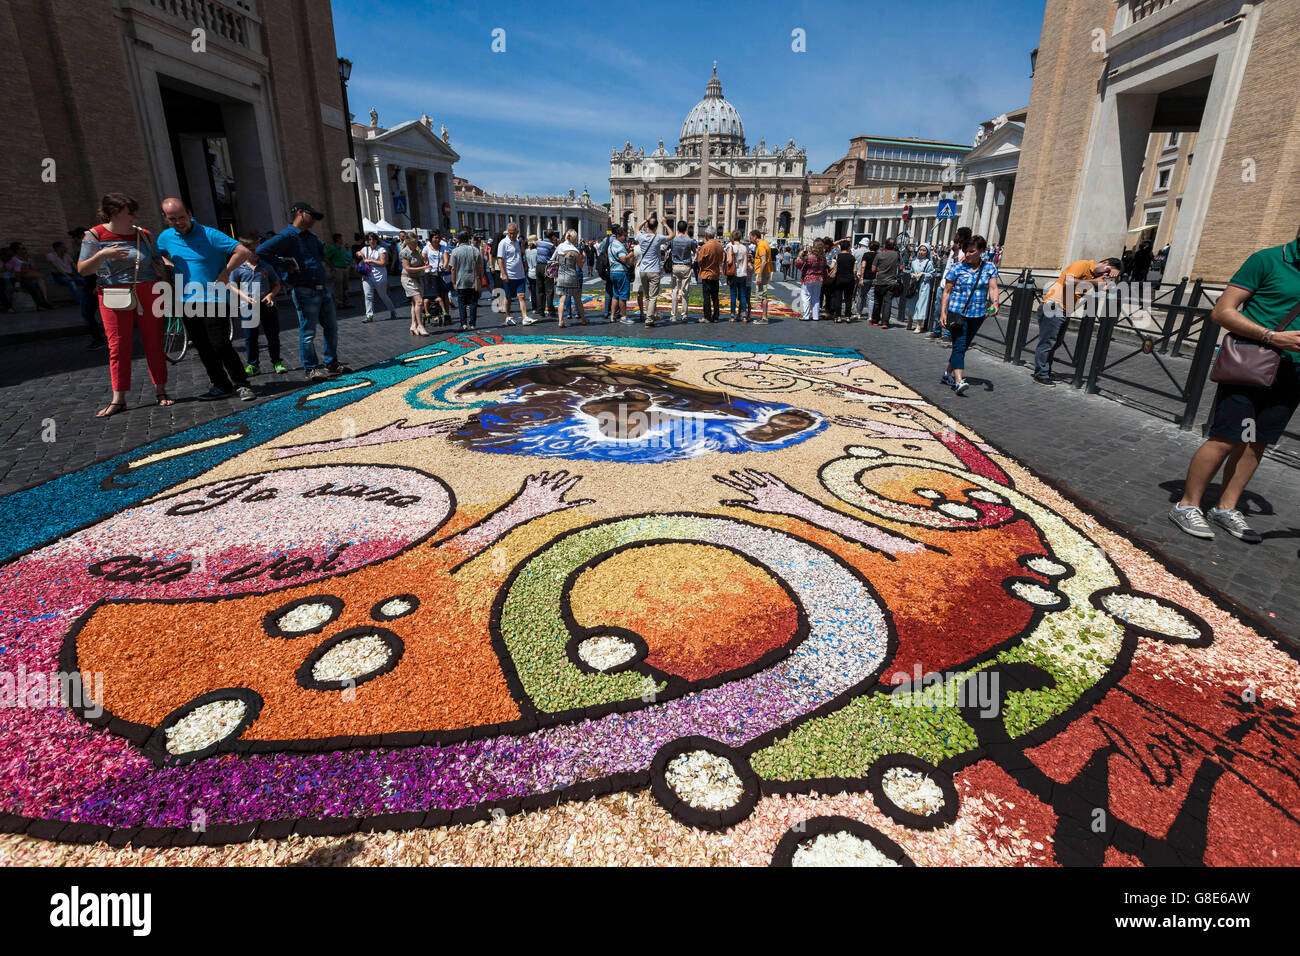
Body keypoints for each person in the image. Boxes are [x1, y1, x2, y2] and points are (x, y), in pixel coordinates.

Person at [1168, 227, 1300, 544]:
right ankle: (1187, 504)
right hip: (1251, 364)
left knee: (1256, 441)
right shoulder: (1267, 260)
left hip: (1293, 373)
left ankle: (1225, 509)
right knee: (1227, 437)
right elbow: (1222, 312)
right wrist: (1272, 336)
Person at [78, 193, 172, 416]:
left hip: (148, 290)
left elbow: (158, 259)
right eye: (129, 212)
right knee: (118, 346)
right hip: (113, 293)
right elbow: (83, 270)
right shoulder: (95, 235)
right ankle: (118, 398)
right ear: (113, 213)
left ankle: (161, 390)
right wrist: (104, 254)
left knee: (154, 342)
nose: (134, 216)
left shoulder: (144, 234)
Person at [156, 197, 256, 401]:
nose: (179, 222)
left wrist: (226, 271)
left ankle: (242, 384)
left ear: (190, 214)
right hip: (186, 299)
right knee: (202, 346)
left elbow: (243, 251)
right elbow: (157, 254)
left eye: (182, 217)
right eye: (173, 218)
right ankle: (221, 384)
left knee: (220, 343)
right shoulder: (166, 237)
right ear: (165, 218)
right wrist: (169, 265)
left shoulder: (210, 234)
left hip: (214, 297)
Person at [256, 201, 353, 382]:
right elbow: (262, 251)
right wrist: (284, 265)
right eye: (312, 215)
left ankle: (331, 363)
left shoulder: (310, 236)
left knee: (331, 328)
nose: (315, 220)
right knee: (308, 331)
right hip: (304, 289)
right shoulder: (288, 235)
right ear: (300, 213)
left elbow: (320, 252)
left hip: (322, 288)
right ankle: (311, 368)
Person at [1034, 257, 1121, 386]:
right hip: (1054, 305)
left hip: (1063, 309)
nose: (1105, 275)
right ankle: (1040, 375)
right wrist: (1094, 282)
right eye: (1107, 271)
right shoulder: (1083, 264)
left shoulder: (1094, 276)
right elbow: (1068, 282)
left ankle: (1045, 371)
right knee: (1047, 343)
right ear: (1105, 263)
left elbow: (1110, 288)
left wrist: (1114, 277)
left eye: (1108, 274)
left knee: (1055, 343)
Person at [939, 235, 999, 396]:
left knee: (963, 346)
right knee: (959, 345)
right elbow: (947, 291)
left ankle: (947, 374)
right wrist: (943, 312)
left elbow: (993, 288)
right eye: (966, 251)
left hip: (978, 313)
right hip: (957, 312)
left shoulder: (989, 267)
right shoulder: (956, 268)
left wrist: (995, 303)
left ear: (981, 251)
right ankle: (959, 381)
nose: (968, 254)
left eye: (972, 251)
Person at [229, 237, 286, 375]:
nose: (256, 253)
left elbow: (277, 284)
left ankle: (277, 362)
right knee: (250, 337)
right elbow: (231, 284)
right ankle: (253, 365)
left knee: (272, 335)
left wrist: (271, 295)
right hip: (248, 306)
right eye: (253, 250)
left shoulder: (266, 266)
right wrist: (243, 296)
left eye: (257, 250)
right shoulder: (238, 268)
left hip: (266, 304)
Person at [64, 228, 108, 348]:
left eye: (76, 238)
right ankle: (100, 339)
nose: (74, 241)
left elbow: (102, 268)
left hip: (94, 287)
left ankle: (100, 340)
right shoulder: (85, 251)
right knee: (89, 314)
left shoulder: (93, 250)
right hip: (90, 287)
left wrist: (98, 284)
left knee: (88, 314)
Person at [634, 214, 669, 327]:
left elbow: (636, 229)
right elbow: (672, 235)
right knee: (653, 296)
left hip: (643, 271)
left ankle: (650, 316)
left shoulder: (641, 237)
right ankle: (649, 319)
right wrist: (665, 224)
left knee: (648, 296)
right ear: (656, 227)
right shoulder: (658, 238)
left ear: (647, 226)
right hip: (654, 271)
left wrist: (646, 219)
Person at [357, 233, 397, 322]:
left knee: (383, 295)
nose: (372, 241)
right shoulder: (365, 249)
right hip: (367, 275)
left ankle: (393, 310)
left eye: (373, 239)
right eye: (370, 240)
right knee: (368, 295)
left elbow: (383, 263)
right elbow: (358, 253)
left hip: (379, 275)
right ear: (367, 241)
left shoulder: (381, 250)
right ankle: (369, 315)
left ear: (376, 240)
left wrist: (371, 261)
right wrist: (359, 253)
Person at [399, 233, 432, 336]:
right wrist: (422, 268)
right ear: (408, 242)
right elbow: (407, 268)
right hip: (408, 279)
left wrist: (425, 262)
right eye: (414, 243)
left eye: (417, 242)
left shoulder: (417, 250)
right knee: (419, 302)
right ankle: (420, 326)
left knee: (414, 303)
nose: (416, 244)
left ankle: (413, 325)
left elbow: (421, 262)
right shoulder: (404, 252)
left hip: (417, 278)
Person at [498, 221, 530, 325]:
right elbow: (500, 259)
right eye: (510, 233)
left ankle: (524, 317)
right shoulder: (503, 243)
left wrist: (525, 263)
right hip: (509, 274)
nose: (511, 235)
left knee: (521, 295)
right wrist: (503, 274)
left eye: (513, 233)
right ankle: (507, 316)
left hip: (520, 274)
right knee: (508, 297)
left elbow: (522, 255)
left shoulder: (518, 242)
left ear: (517, 232)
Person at [4, 243, 54, 309]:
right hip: (17, 278)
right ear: (17, 250)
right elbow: (14, 272)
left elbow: (34, 269)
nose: (24, 250)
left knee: (40, 280)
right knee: (33, 285)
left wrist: (29, 260)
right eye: (22, 248)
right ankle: (40, 304)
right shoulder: (14, 259)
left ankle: (45, 300)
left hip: (27, 277)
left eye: (24, 248)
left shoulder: (25, 258)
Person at [450, 232, 483, 332]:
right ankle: (472, 324)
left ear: (459, 240)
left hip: (461, 280)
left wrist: (453, 281)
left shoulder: (455, 251)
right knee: (473, 302)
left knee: (462, 303)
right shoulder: (475, 250)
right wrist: (480, 278)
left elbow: (452, 269)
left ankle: (463, 323)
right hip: (473, 280)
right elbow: (480, 266)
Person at [554, 230, 587, 328]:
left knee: (561, 300)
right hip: (571, 276)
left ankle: (560, 321)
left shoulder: (560, 247)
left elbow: (553, 259)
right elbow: (580, 266)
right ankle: (583, 320)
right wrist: (584, 258)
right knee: (577, 299)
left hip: (561, 276)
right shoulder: (575, 251)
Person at [666, 221, 696, 324]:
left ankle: (673, 315)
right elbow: (696, 252)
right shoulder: (690, 241)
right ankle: (684, 315)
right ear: (686, 229)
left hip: (675, 266)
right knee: (685, 291)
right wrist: (693, 260)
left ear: (677, 229)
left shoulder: (673, 240)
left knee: (674, 290)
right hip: (686, 266)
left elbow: (666, 250)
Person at [871, 237, 903, 328]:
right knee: (887, 302)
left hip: (880, 281)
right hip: (891, 282)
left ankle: (875, 320)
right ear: (894, 246)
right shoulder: (897, 255)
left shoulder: (879, 254)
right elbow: (901, 268)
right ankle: (885, 322)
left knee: (877, 302)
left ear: (885, 245)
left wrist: (880, 269)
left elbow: (873, 269)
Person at [606, 223, 634, 323]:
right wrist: (631, 254)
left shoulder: (611, 245)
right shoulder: (619, 246)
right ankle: (624, 317)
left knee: (615, 295)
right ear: (618, 236)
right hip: (621, 272)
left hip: (613, 272)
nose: (626, 238)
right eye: (624, 236)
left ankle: (612, 316)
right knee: (623, 295)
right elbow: (623, 259)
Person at [695, 227, 724, 324]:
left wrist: (702, 265)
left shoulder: (705, 246)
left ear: (706, 235)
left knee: (706, 296)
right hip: (715, 274)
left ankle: (707, 317)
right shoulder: (719, 246)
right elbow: (721, 260)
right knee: (715, 296)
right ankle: (716, 316)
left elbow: (699, 261)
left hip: (706, 274)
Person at [795, 239, 827, 322]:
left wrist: (799, 256)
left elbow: (798, 263)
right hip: (819, 279)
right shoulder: (823, 258)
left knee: (806, 297)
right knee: (816, 298)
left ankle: (806, 316)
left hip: (808, 279)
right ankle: (815, 316)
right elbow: (824, 268)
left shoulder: (809, 257)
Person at [908, 244, 938, 333]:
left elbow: (932, 274)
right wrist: (912, 275)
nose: (921, 252)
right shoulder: (914, 261)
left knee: (921, 304)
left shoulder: (929, 263)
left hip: (924, 285)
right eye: (920, 250)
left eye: (924, 250)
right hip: (914, 284)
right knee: (911, 303)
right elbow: (911, 271)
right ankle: (910, 321)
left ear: (927, 252)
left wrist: (923, 274)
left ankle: (918, 326)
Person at [827, 239, 856, 323]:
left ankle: (838, 317)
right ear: (848, 247)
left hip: (839, 279)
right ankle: (848, 317)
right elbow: (854, 270)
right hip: (849, 280)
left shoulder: (837, 256)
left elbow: (831, 267)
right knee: (848, 298)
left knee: (838, 298)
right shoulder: (852, 257)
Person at [724, 231, 750, 323]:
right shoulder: (745, 248)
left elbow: (730, 261)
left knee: (733, 295)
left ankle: (732, 316)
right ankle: (744, 315)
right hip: (743, 274)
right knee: (742, 295)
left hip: (734, 274)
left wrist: (727, 259)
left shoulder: (731, 248)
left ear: (732, 237)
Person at [750, 229, 773, 325]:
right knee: (762, 294)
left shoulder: (761, 246)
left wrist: (759, 275)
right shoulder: (764, 243)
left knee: (763, 295)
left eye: (750, 237)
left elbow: (763, 261)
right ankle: (763, 316)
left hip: (762, 273)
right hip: (765, 271)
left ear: (755, 237)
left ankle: (764, 317)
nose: (750, 239)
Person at [323, 232, 351, 308]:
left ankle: (346, 302)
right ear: (338, 239)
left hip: (344, 268)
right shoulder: (332, 248)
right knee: (338, 287)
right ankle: (339, 303)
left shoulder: (341, 248)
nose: (342, 240)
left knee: (345, 286)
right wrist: (332, 267)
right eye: (341, 238)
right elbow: (325, 258)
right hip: (337, 269)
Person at [535, 229, 557, 318]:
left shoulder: (539, 243)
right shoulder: (551, 245)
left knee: (539, 289)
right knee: (549, 290)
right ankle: (551, 310)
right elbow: (553, 256)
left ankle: (540, 310)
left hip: (538, 266)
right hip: (547, 267)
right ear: (552, 237)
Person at [855, 240, 878, 321]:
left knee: (861, 296)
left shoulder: (866, 254)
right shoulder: (878, 255)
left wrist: (861, 277)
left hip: (865, 277)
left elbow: (863, 266)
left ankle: (858, 313)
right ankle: (870, 316)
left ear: (869, 247)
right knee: (871, 297)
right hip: (874, 277)